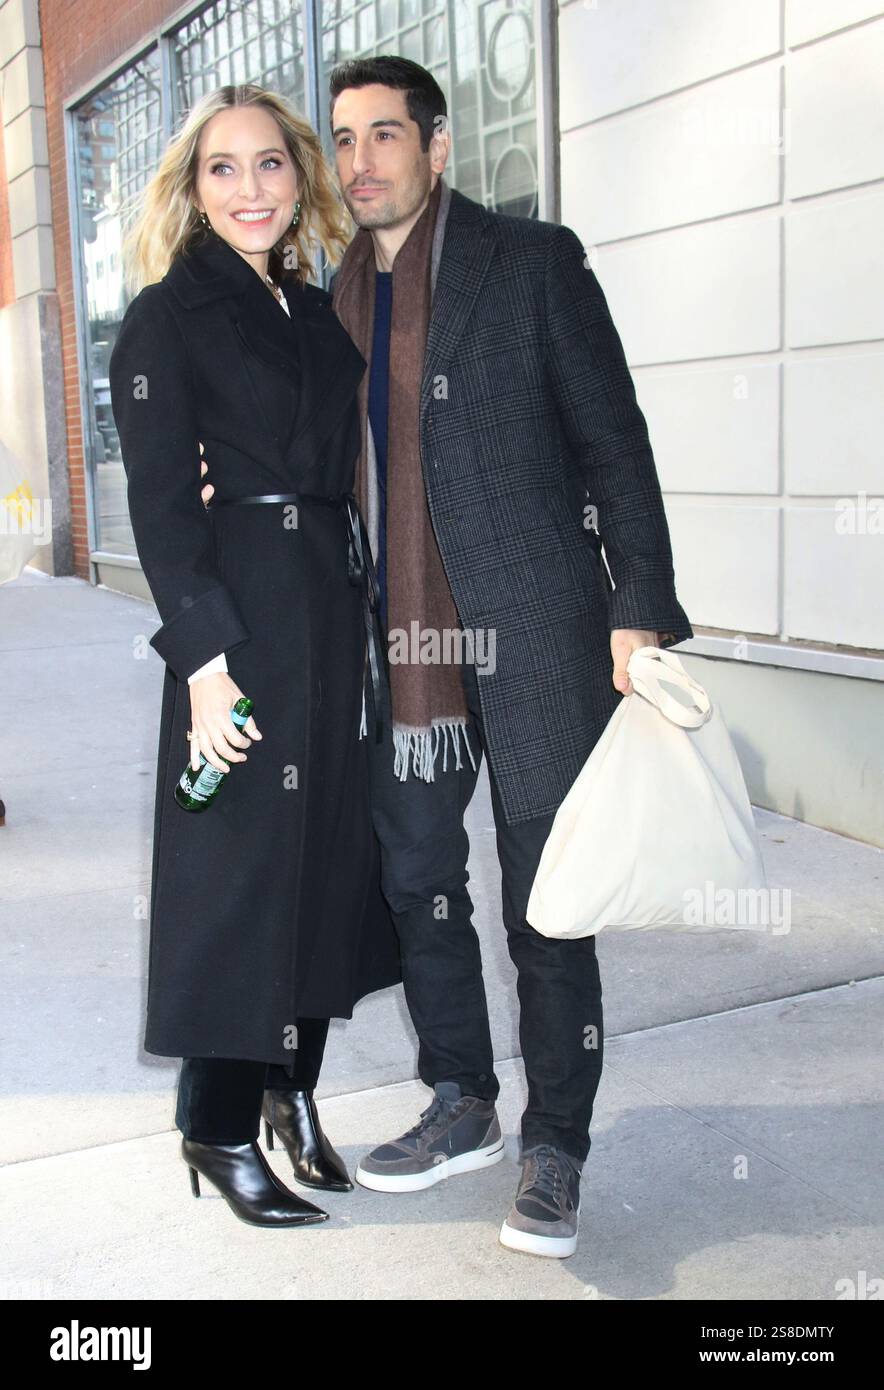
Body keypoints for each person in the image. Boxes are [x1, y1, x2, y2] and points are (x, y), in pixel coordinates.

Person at [109, 83, 400, 1230]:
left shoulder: (314, 306)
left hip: (328, 609)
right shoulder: (164, 319)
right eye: (222, 169)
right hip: (241, 628)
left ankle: (293, 1091)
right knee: (238, 879)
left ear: (299, 177)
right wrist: (204, 666)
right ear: (192, 189)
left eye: (270, 165)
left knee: (326, 861)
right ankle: (216, 1123)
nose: (250, 189)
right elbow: (161, 512)